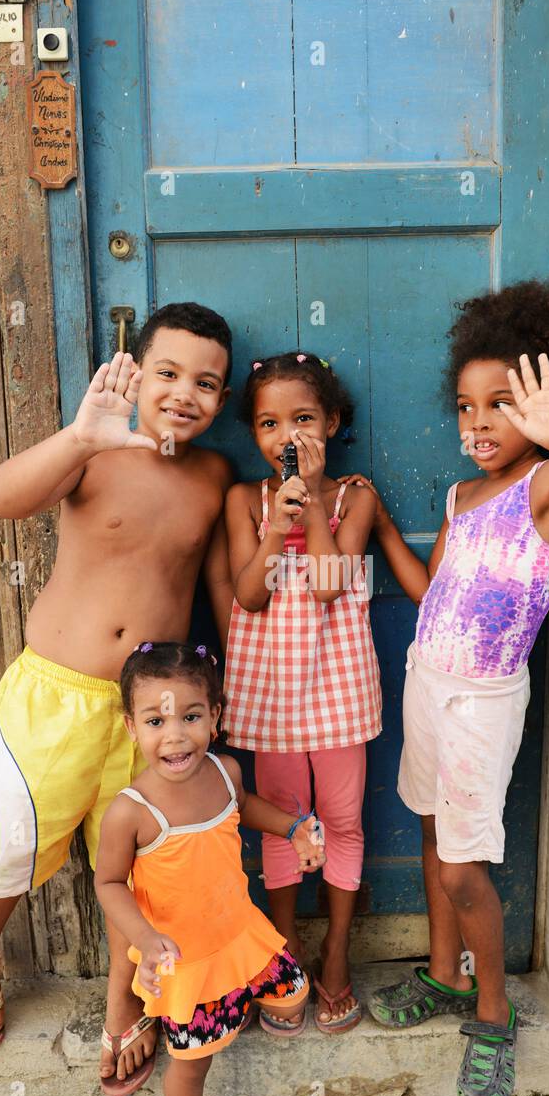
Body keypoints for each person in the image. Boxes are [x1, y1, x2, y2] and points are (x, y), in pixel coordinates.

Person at [348, 282, 549, 1096]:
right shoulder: (461, 496)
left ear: (544, 402)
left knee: (462, 869)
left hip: (482, 703)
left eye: (502, 404)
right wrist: (385, 532)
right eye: (466, 406)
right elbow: (435, 592)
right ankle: (447, 976)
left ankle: (493, 1014)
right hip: (427, 678)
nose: (478, 423)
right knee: (429, 834)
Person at [0, 302, 237, 1096]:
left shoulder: (215, 479)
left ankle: (124, 1006)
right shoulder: (96, 449)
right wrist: (81, 434)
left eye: (207, 383)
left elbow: (214, 593)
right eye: (168, 373)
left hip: (154, 716)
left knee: (145, 867)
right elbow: (0, 498)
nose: (185, 393)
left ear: (222, 399)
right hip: (57, 695)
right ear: (134, 373)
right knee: (5, 840)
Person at [95, 641, 323, 1096]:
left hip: (241, 933)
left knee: (295, 999)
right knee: (192, 1059)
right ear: (131, 727)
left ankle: (247, 998)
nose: (175, 736)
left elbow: (245, 807)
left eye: (191, 716)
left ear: (216, 717)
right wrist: (146, 940)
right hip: (186, 963)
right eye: (155, 721)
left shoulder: (226, 772)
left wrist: (293, 828)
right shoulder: (132, 811)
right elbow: (108, 885)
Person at [222, 352, 381, 1032]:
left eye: (304, 420)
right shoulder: (243, 500)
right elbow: (251, 595)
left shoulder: (357, 496)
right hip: (272, 698)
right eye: (269, 423)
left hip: (338, 691)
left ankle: (337, 953)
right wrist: (276, 524)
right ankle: (283, 949)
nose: (286, 436)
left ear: (333, 423)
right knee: (283, 826)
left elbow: (326, 585)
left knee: (341, 822)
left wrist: (312, 502)